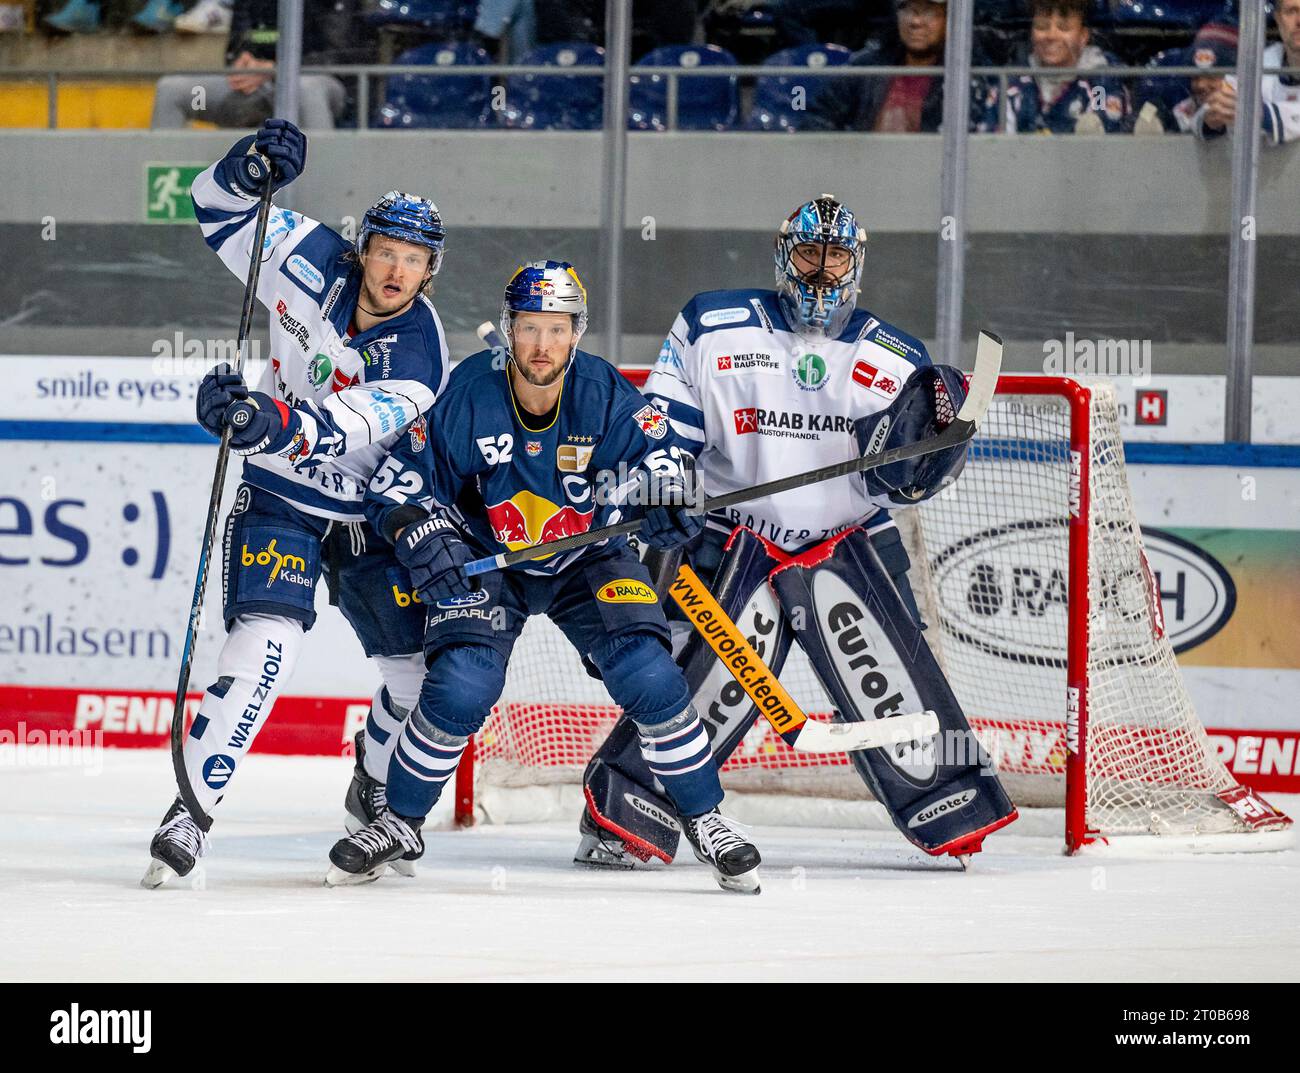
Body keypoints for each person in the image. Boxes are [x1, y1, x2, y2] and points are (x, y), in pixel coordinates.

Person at [575, 195, 1017, 869]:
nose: (821, 271)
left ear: (856, 264)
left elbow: (901, 480)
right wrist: (668, 482)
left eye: (836, 257)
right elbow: (662, 430)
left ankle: (951, 808)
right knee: (693, 690)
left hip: (847, 547)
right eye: (809, 254)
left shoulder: (897, 357)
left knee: (896, 682)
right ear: (785, 255)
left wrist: (934, 456)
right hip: (730, 544)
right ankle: (624, 819)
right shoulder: (711, 324)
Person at [329, 260, 764, 894]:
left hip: (586, 559)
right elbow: (401, 482)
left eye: (556, 330)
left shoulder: (605, 390)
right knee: (459, 685)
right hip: (490, 560)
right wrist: (426, 534)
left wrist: (669, 494)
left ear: (576, 333)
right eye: (529, 328)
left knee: (648, 670)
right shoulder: (470, 390)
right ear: (509, 329)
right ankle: (397, 821)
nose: (541, 345)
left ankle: (708, 818)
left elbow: (662, 453)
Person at [142, 118, 452, 888]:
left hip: (369, 515)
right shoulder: (308, 252)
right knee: (265, 648)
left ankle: (371, 784)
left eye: (413, 260)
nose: (395, 270)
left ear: (428, 272)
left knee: (417, 682)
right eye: (386, 250)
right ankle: (190, 810)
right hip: (281, 493)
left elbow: (347, 426)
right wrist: (248, 166)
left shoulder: (421, 355)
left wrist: (264, 418)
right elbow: (212, 207)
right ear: (363, 248)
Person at [804, 0, 993, 134]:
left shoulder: (969, 77)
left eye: (928, 10)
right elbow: (817, 118)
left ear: (951, 20)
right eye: (907, 9)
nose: (915, 21)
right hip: (865, 176)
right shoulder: (868, 66)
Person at [150, 0, 345, 129]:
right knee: (172, 90)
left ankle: (323, 183)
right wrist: (242, 62)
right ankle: (159, 184)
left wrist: (277, 69)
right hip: (258, 87)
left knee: (304, 88)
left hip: (324, 86)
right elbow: (236, 46)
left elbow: (339, 55)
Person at [990, 0, 1127, 134]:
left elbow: (1103, 137)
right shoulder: (1011, 84)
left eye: (1064, 28)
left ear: (1083, 36)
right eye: (1042, 26)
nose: (1051, 36)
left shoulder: (1100, 85)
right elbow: (991, 146)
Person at [1197, 0, 1300, 145]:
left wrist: (1259, 113)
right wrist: (1212, 118)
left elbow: (1249, 110)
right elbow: (1206, 113)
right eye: (1291, 11)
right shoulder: (1259, 61)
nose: (1299, 21)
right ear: (1278, 18)